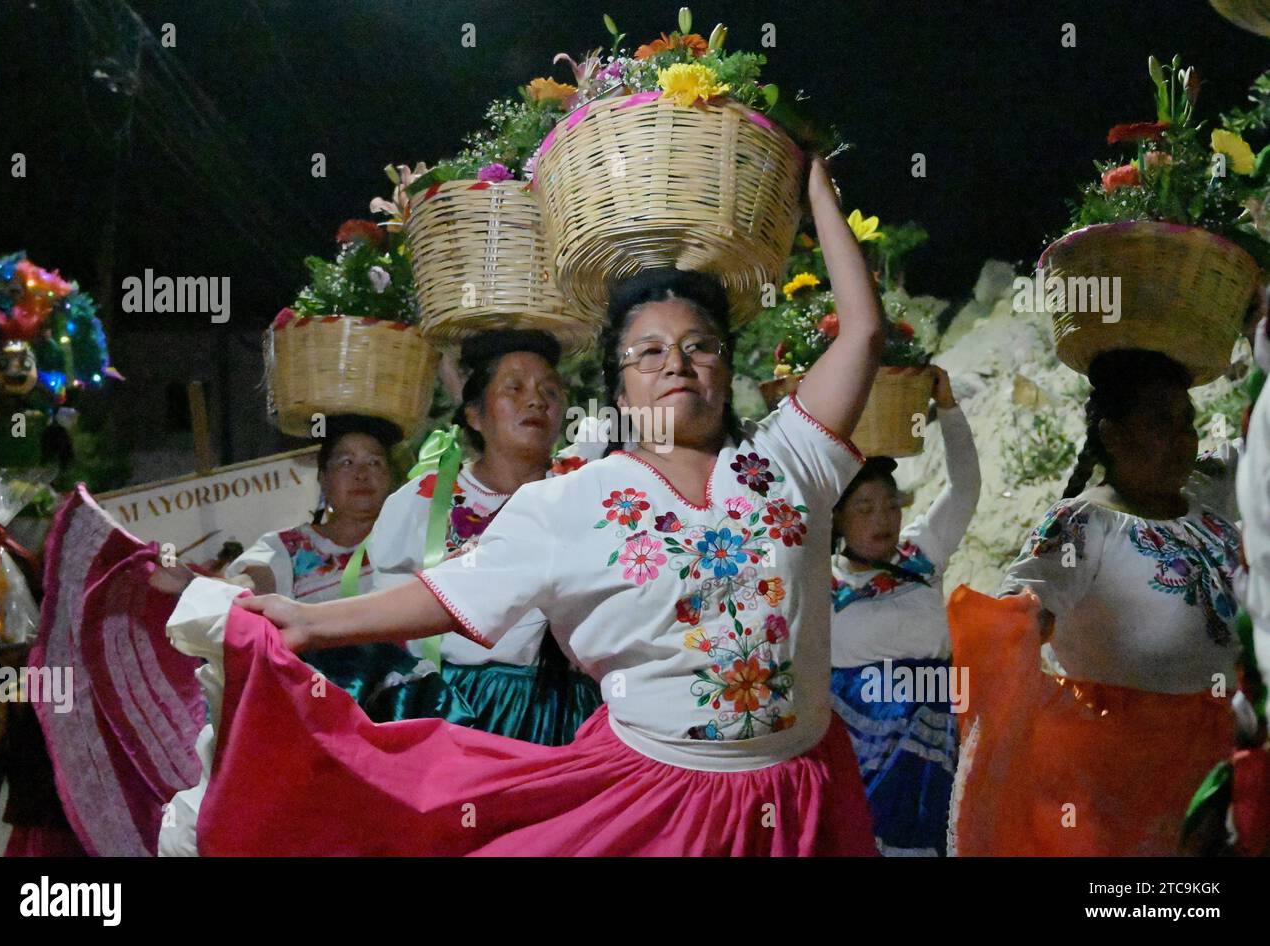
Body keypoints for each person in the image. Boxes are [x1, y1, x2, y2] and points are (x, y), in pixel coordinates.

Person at [161, 154, 885, 856]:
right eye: (649, 351)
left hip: (806, 793)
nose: (677, 362)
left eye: (700, 345)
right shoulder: (569, 500)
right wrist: (311, 623)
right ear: (618, 385)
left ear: (726, 366)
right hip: (666, 805)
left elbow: (862, 331)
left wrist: (812, 183)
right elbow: (447, 593)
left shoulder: (790, 458)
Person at [950, 347, 1242, 856]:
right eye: (1160, 422)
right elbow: (1014, 616)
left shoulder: (1209, 494)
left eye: (1187, 422)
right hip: (1129, 789)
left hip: (1231, 766)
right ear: (1113, 435)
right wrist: (1027, 627)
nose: (1181, 439)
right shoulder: (1081, 525)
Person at [366, 329, 602, 745]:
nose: (536, 401)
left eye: (550, 389)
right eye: (514, 388)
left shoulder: (591, 487)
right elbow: (390, 628)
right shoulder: (421, 504)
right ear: (474, 414)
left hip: (574, 713)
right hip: (462, 712)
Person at [152, 413, 411, 704]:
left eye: (374, 462)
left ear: (389, 476)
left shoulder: (416, 536)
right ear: (323, 478)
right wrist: (193, 582)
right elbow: (250, 584)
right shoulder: (287, 548)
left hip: (408, 696)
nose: (362, 474)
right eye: (346, 463)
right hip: (325, 703)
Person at [828, 366, 979, 855]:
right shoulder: (818, 582)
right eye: (865, 507)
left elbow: (965, 489)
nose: (883, 519)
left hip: (936, 751)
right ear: (838, 519)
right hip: (856, 763)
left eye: (890, 505)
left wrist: (949, 409)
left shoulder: (920, 555)